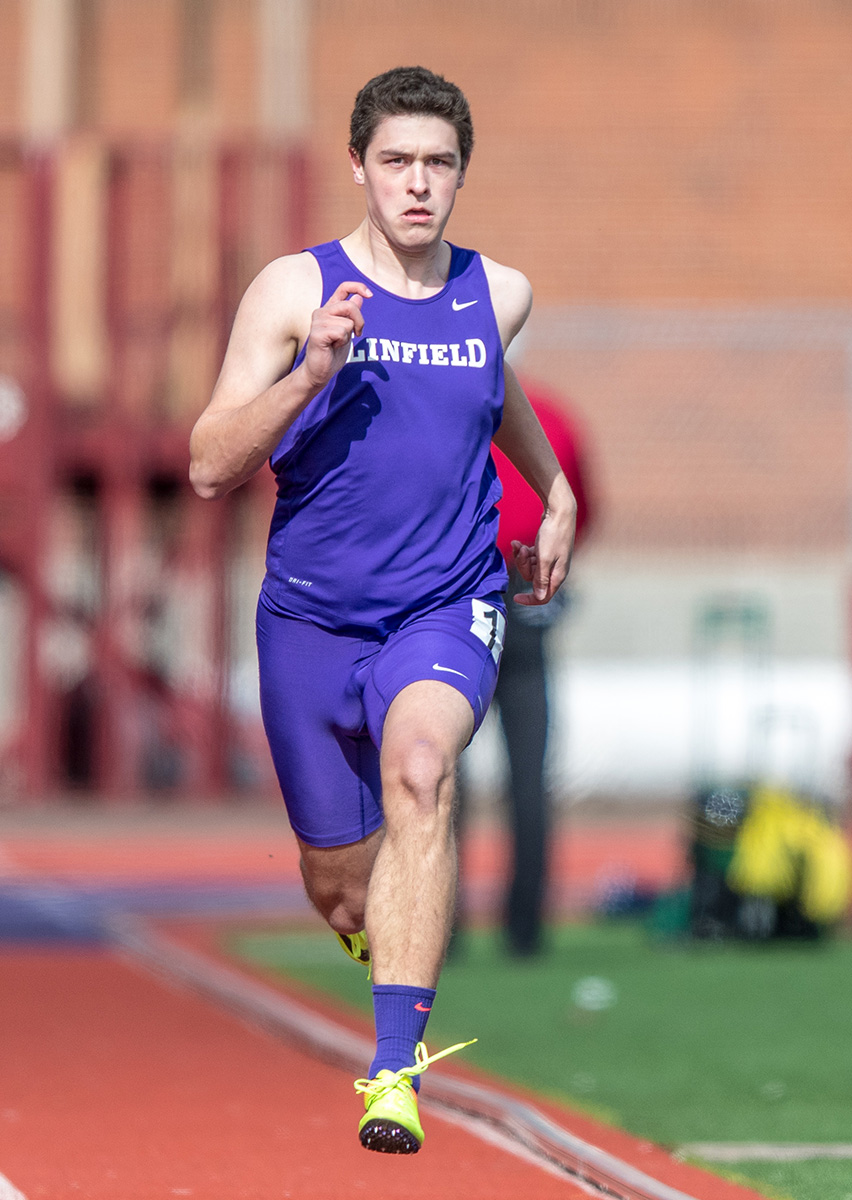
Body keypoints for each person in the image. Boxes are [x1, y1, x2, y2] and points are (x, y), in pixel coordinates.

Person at [191, 66, 577, 1154]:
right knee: (344, 892)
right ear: (358, 165)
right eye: (399, 162)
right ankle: (383, 930)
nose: (419, 185)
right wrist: (311, 371)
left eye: (440, 165)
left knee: (422, 771)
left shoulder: (496, 293)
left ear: (462, 176)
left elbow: (493, 389)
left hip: (447, 602)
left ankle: (393, 1072)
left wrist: (551, 491)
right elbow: (209, 464)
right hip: (311, 620)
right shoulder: (289, 290)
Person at [486, 380, 595, 959]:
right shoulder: (554, 416)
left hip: (458, 590)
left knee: (433, 768)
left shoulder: (447, 400)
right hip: (529, 591)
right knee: (529, 771)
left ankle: (436, 927)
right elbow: (584, 508)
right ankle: (524, 929)